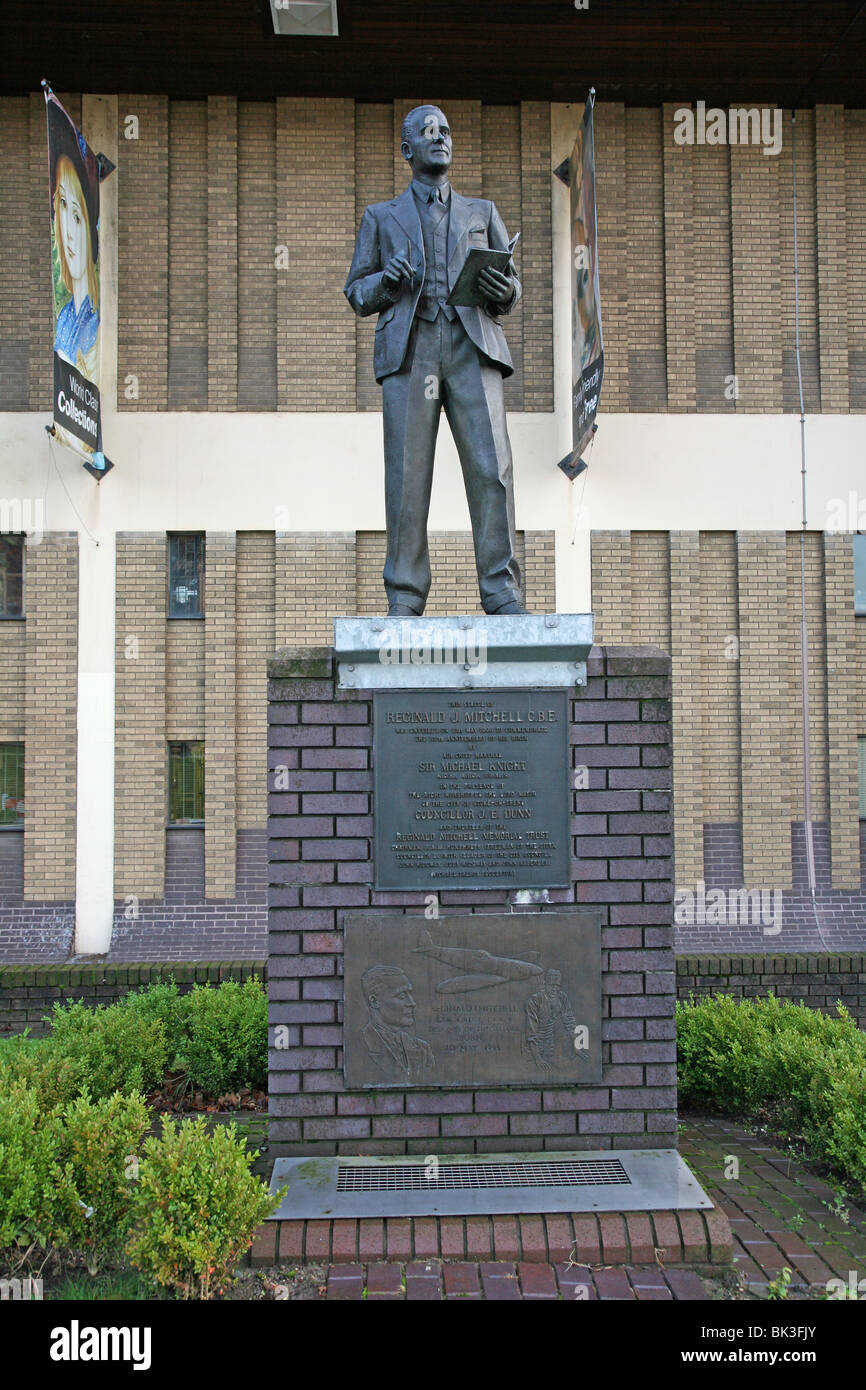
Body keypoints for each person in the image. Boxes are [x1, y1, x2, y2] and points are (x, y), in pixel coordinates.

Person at [345, 105, 527, 617]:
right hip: (412, 348)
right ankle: (404, 596)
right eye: (426, 132)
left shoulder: (482, 212)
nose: (438, 137)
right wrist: (387, 281)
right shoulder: (381, 217)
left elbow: (511, 289)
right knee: (406, 476)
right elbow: (357, 292)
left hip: (472, 346)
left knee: (493, 468)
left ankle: (502, 591)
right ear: (407, 150)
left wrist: (503, 288)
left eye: (444, 130)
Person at [51, 147, 100, 382]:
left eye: (77, 217)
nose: (69, 232)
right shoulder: (64, 318)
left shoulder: (95, 323)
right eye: (62, 204)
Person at [360, 964, 435, 1081]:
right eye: (401, 996)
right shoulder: (358, 1044)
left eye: (410, 994)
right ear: (374, 1001)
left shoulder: (422, 1049)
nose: (412, 1003)